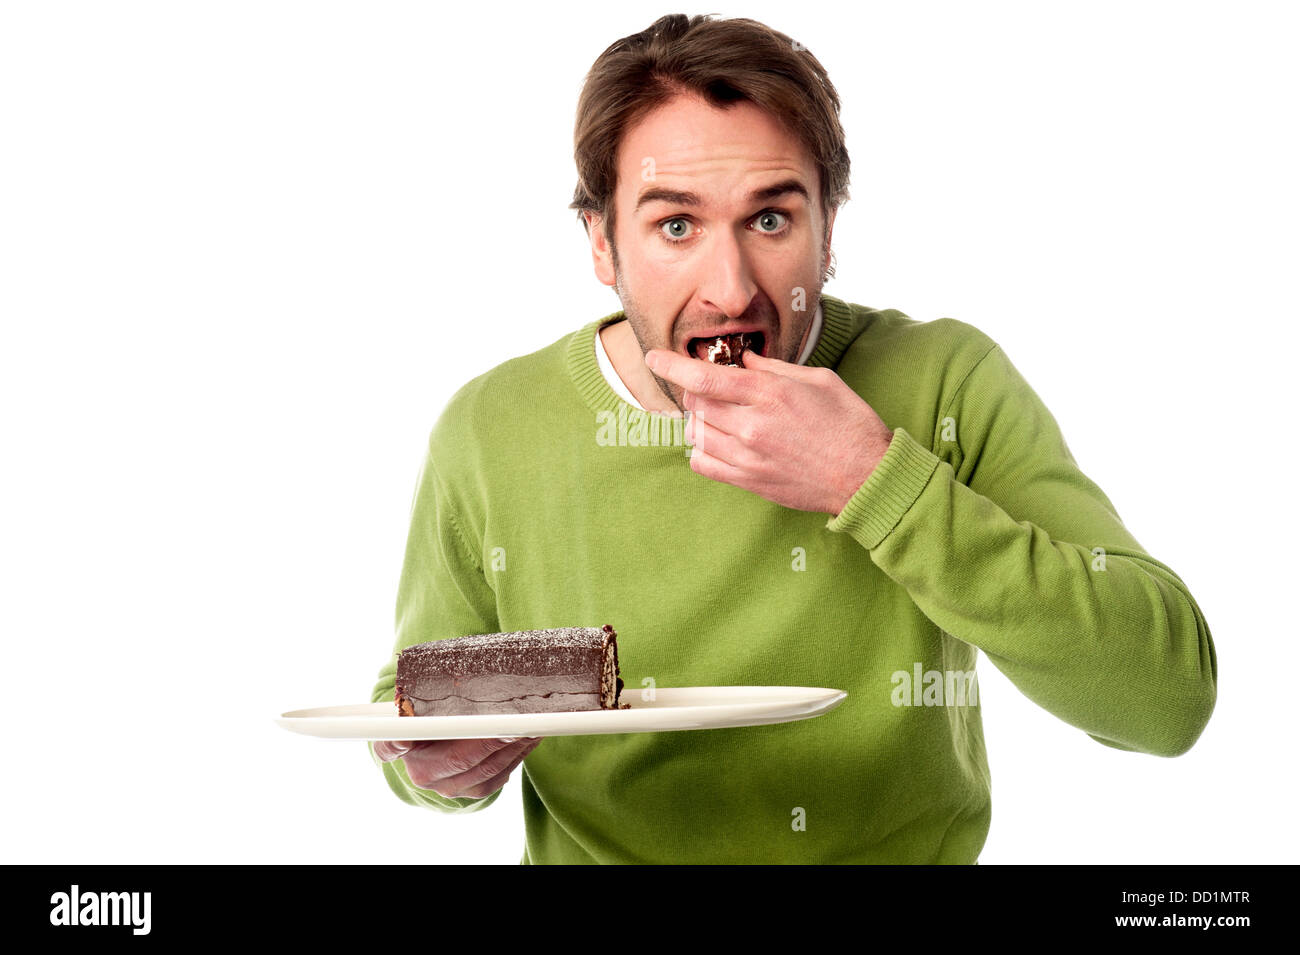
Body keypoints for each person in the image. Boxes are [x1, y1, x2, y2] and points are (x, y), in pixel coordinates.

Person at [369, 13, 1216, 864]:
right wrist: (442, 771)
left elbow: (1167, 702)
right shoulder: (490, 427)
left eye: (770, 220)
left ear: (828, 228)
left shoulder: (947, 380)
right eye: (675, 225)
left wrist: (874, 481)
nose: (731, 291)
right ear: (601, 240)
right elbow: (407, 718)